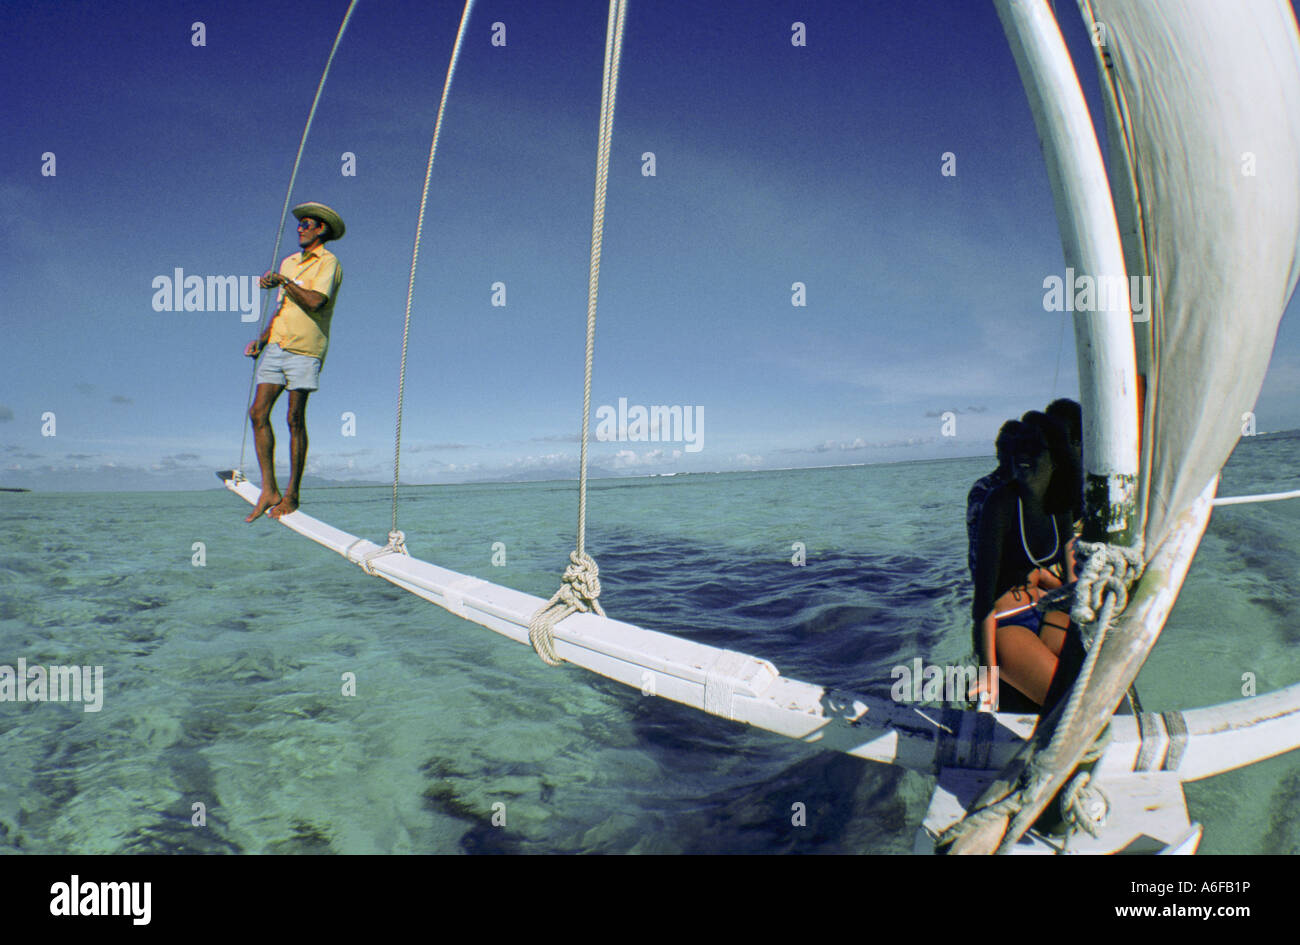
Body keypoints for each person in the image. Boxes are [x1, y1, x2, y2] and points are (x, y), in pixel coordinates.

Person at [969, 420, 1083, 712]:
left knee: (1095, 673)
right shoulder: (992, 496)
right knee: (1070, 705)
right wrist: (987, 668)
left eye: (1033, 449)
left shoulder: (1054, 500)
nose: (1021, 457)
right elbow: (984, 585)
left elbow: (1063, 570)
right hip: (1008, 617)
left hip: (1041, 605)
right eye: (1015, 449)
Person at [242, 202, 345, 521]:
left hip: (306, 348)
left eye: (307, 224)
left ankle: (293, 495)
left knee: (294, 418)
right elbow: (282, 308)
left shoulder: (329, 262)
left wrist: (285, 282)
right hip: (277, 344)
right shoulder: (288, 262)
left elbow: (315, 302)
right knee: (258, 412)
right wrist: (262, 338)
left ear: (321, 229)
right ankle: (269, 489)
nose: (300, 228)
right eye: (299, 224)